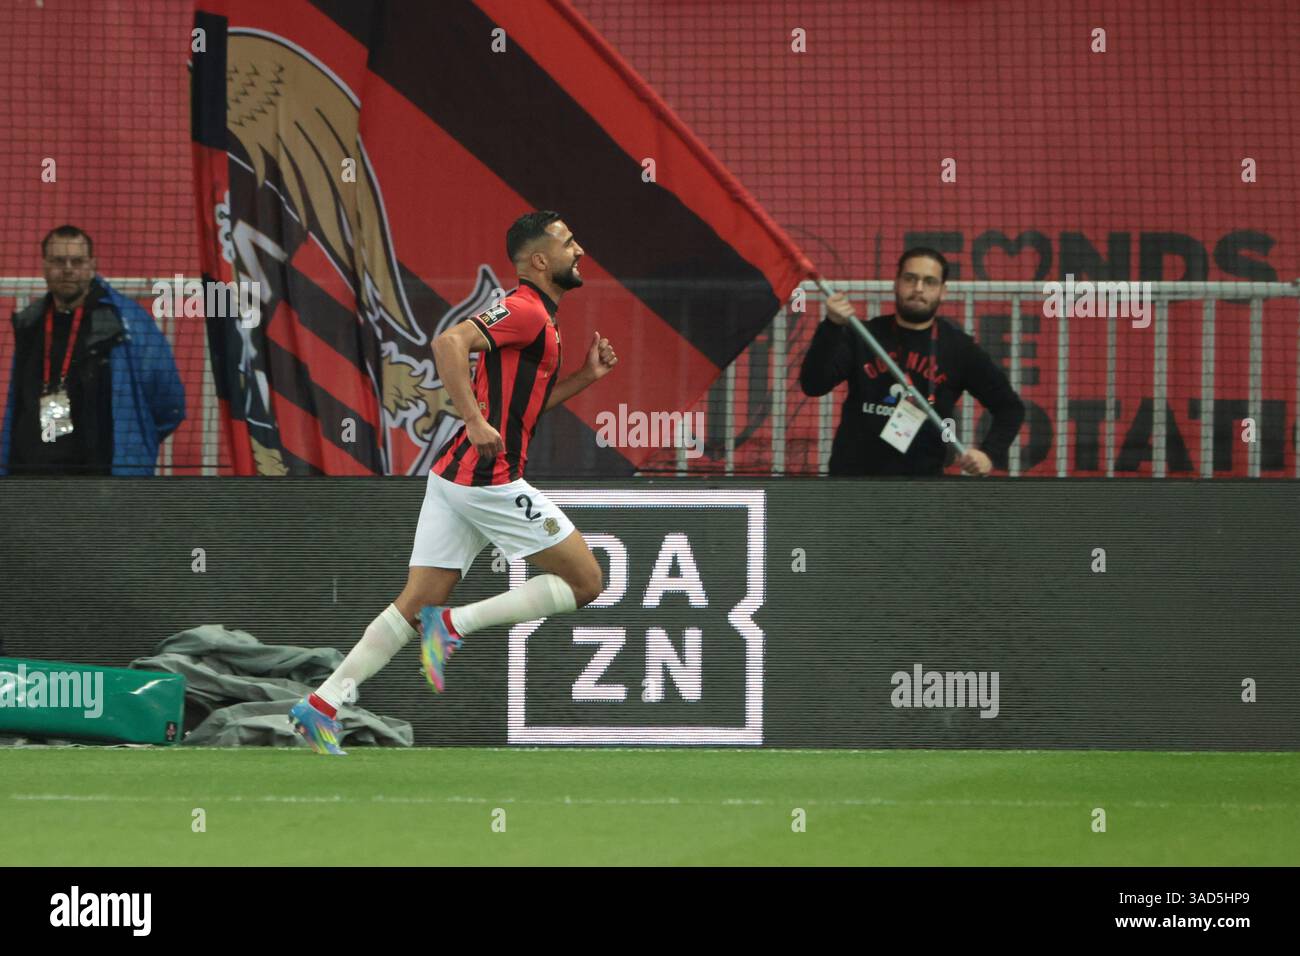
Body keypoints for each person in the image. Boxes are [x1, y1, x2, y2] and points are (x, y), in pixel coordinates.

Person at [290, 211, 618, 755]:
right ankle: (453, 624)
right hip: (487, 478)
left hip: (454, 476)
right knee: (586, 582)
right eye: (568, 243)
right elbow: (448, 343)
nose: (579, 251)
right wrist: (473, 418)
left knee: (412, 604)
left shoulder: (539, 317)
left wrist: (585, 378)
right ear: (540, 260)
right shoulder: (525, 310)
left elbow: (523, 409)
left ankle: (320, 706)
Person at [799, 247, 1024, 476]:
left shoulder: (959, 348)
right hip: (852, 479)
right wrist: (831, 326)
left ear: (943, 292)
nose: (918, 288)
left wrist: (989, 454)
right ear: (896, 284)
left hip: (922, 483)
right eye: (910, 279)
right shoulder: (863, 335)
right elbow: (813, 384)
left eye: (929, 282)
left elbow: (1010, 407)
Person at [0, 225, 186, 475]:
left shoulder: (127, 323)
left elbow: (168, 404)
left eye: (77, 261)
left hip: (100, 482)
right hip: (31, 479)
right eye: (58, 261)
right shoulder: (30, 323)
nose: (68, 269)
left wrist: (134, 446)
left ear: (92, 265)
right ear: (44, 266)